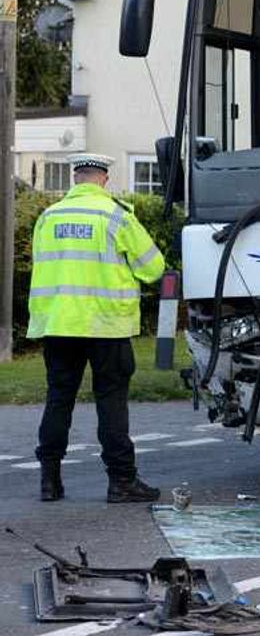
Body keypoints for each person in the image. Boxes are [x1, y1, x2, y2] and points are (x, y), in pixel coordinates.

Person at [28, 154, 166, 503]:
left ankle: (50, 481)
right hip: (107, 325)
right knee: (111, 402)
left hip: (59, 324)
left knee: (58, 398)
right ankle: (121, 481)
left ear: (76, 178)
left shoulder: (48, 217)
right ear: (103, 179)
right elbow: (153, 268)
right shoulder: (116, 215)